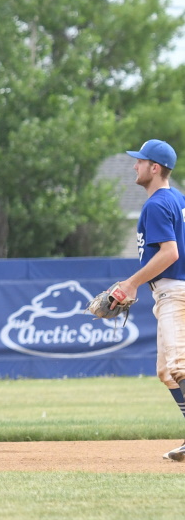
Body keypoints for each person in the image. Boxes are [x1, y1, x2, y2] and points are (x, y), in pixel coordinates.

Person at [113, 139, 185, 460]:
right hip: (172, 290)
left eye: (140, 161)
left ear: (154, 168)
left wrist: (131, 283)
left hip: (175, 292)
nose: (135, 165)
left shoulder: (156, 204)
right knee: (166, 372)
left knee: (179, 366)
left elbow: (170, 253)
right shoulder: (177, 199)